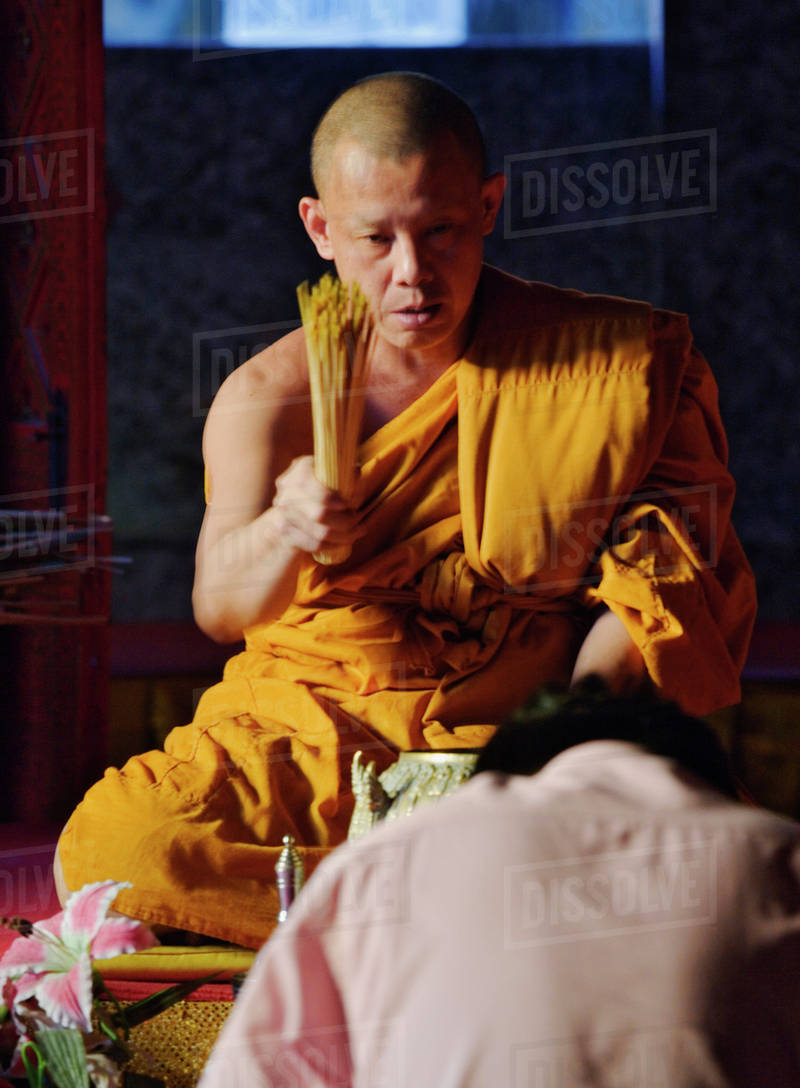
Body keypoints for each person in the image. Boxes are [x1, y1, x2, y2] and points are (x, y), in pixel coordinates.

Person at [55, 72, 756, 946]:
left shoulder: (608, 364)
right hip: (319, 726)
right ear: (320, 229)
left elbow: (661, 575)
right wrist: (287, 529)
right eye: (376, 239)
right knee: (120, 847)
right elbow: (222, 608)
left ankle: (393, 910)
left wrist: (567, 734)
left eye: (441, 231)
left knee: (710, 870)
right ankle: (453, 910)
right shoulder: (271, 396)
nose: (412, 274)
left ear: (489, 206)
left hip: (523, 720)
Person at [198, 682, 800, 1088]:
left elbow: (262, 1074)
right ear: (707, 783)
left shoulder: (386, 861)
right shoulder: (777, 856)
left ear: (498, 779)